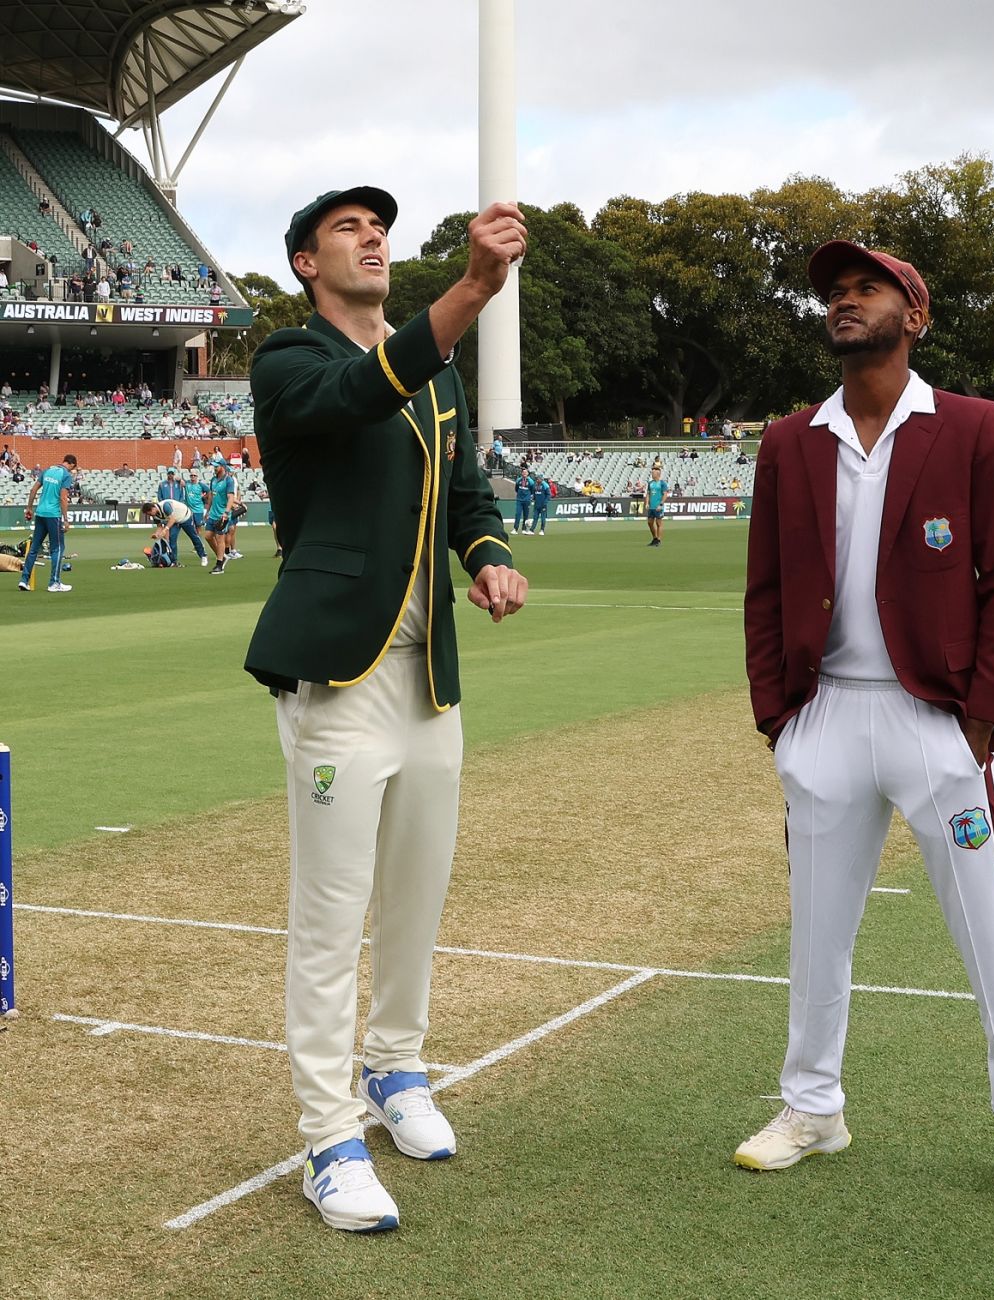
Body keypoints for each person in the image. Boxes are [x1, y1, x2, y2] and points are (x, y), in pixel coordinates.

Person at [740, 240, 994, 1216]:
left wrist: (984, 722)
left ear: (913, 315)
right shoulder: (791, 440)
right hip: (825, 721)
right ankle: (811, 1106)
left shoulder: (970, 427)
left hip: (941, 726)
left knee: (990, 937)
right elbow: (764, 590)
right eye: (835, 293)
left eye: (866, 288)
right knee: (818, 933)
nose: (846, 301)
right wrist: (780, 722)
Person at [243, 187, 528, 1234]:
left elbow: (465, 492)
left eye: (380, 227)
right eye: (348, 229)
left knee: (416, 895)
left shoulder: (436, 374)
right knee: (330, 920)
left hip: (428, 678)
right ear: (307, 263)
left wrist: (487, 555)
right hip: (339, 682)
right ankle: (328, 1136)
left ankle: (396, 1069)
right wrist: (472, 288)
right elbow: (359, 394)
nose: (373, 238)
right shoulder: (288, 360)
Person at [18, 454, 76, 592]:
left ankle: (24, 581)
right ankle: (54, 583)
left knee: (33, 549)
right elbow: (63, 498)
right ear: (72, 464)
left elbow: (33, 490)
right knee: (58, 548)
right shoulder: (66, 475)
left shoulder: (48, 470)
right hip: (53, 515)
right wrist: (66, 519)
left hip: (40, 513)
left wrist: (29, 509)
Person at [142, 498, 207, 566]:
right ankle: (174, 561)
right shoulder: (155, 516)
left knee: (193, 537)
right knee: (172, 539)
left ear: (153, 508)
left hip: (185, 516)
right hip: (175, 521)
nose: (151, 515)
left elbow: (172, 519)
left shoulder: (165, 506)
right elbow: (159, 526)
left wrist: (165, 529)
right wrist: (156, 534)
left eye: (150, 513)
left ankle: (203, 556)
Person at [202, 460, 239, 574]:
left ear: (223, 467)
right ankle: (222, 557)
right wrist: (207, 511)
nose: (215, 468)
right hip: (213, 514)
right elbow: (211, 497)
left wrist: (226, 512)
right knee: (208, 536)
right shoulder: (213, 480)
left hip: (222, 514)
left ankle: (219, 565)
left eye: (217, 466)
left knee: (220, 538)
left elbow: (231, 497)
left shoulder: (229, 480)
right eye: (214, 466)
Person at [644, 465, 669, 547]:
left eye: (653, 473)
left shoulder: (662, 483)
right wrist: (647, 503)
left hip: (658, 506)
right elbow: (648, 494)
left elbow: (665, 494)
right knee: (650, 522)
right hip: (651, 506)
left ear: (658, 474)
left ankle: (658, 539)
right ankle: (654, 538)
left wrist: (661, 504)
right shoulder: (650, 483)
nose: (652, 474)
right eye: (652, 473)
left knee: (659, 523)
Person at [513, 467, 535, 535]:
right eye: (523, 472)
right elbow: (516, 489)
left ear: (528, 473)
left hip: (527, 500)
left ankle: (524, 529)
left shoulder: (531, 481)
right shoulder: (518, 480)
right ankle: (515, 529)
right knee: (518, 514)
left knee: (526, 515)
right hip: (519, 500)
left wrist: (529, 497)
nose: (524, 473)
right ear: (522, 473)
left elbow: (532, 490)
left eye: (526, 472)